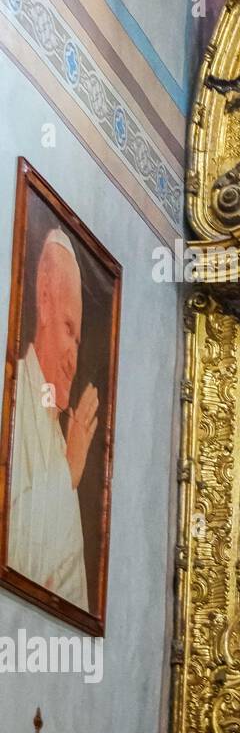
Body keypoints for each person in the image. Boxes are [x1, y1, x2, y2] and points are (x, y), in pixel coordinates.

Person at [8, 227, 98, 611]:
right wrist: (69, 471)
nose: (73, 357)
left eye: (79, 341)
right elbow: (13, 550)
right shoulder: (13, 400)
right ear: (44, 303)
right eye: (68, 329)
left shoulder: (57, 431)